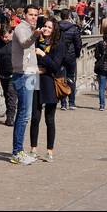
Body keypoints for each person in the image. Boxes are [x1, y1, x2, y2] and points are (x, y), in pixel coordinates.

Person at [30, 17, 69, 162]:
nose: (46, 29)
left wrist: (43, 55)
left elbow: (55, 66)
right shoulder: (36, 41)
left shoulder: (58, 45)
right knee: (35, 117)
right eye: (45, 26)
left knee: (49, 119)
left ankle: (49, 151)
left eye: (49, 27)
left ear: (54, 31)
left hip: (50, 83)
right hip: (35, 81)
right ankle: (33, 149)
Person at [9, 5, 40, 165]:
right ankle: (17, 152)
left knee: (26, 113)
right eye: (31, 14)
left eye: (36, 15)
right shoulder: (22, 28)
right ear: (25, 15)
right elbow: (24, 43)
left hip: (31, 73)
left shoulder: (31, 28)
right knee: (23, 114)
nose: (34, 17)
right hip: (23, 74)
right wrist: (35, 36)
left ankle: (19, 150)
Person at [57, 9, 82, 112]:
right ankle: (71, 102)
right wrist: (77, 54)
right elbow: (78, 43)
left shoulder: (56, 27)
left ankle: (63, 103)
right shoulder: (74, 28)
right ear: (69, 17)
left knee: (62, 79)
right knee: (71, 78)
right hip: (70, 56)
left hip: (59, 56)